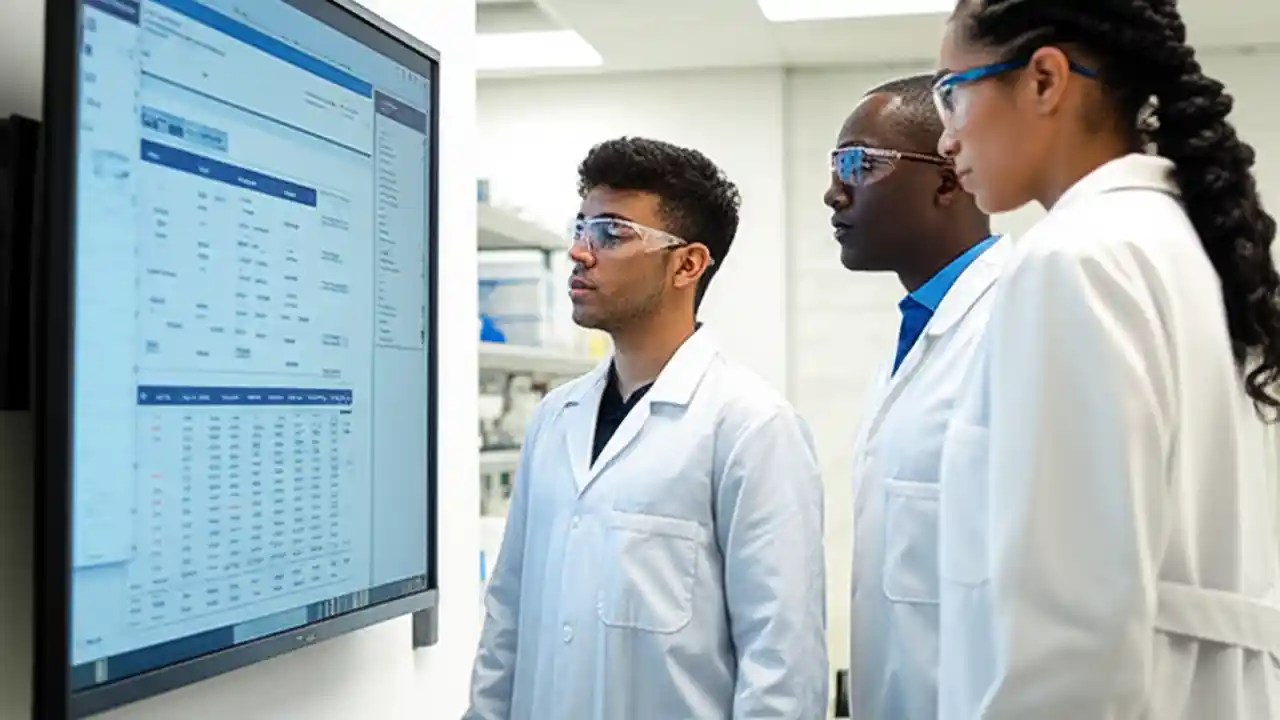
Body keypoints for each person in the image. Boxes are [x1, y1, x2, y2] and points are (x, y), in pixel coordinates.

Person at [931, 1, 1280, 717]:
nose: (944, 137)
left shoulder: (1075, 259)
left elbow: (1076, 624)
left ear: (1045, 80)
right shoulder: (1181, 247)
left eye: (951, 93)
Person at [465, 137, 829, 719]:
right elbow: (507, 617)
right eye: (580, 228)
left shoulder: (750, 426)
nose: (581, 252)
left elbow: (782, 662)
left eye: (611, 233)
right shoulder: (556, 419)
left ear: (688, 263)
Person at [824, 73, 1008, 720]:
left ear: (949, 179)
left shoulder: (1015, 326)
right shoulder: (917, 337)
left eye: (858, 164)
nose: (833, 192)